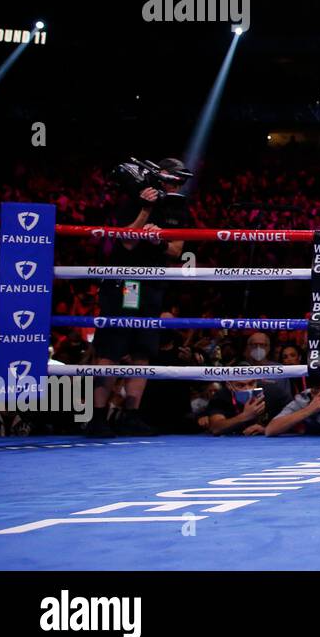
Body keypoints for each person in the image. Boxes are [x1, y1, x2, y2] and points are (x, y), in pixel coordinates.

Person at [86, 157, 192, 437]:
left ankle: (131, 416)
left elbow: (176, 251)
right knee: (111, 350)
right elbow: (127, 241)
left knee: (143, 352)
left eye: (181, 181)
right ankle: (97, 417)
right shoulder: (133, 199)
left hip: (153, 284)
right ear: (161, 176)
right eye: (174, 179)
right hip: (124, 281)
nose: (178, 185)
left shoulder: (178, 208)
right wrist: (145, 211)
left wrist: (160, 240)